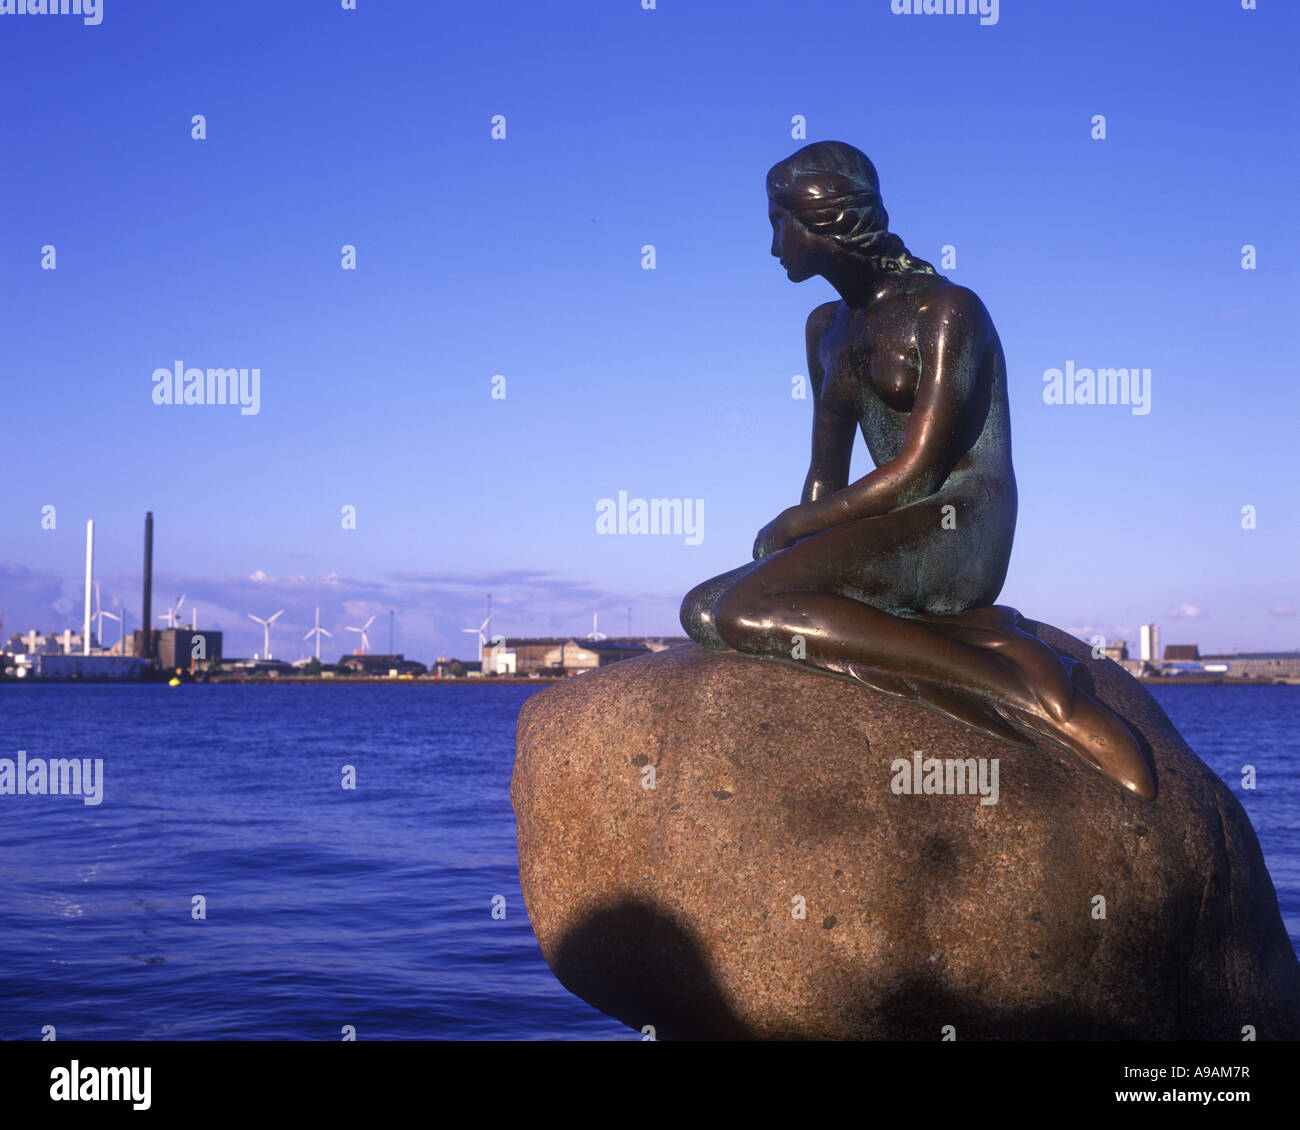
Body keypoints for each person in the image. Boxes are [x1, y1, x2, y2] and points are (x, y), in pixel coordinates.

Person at [680, 141, 1155, 800]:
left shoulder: (946, 310)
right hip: (893, 521)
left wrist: (795, 527)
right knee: (706, 610)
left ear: (827, 220)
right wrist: (797, 540)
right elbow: (825, 476)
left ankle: (1033, 696)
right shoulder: (826, 328)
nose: (773, 246)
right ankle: (970, 640)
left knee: (747, 608)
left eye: (777, 222)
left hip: (960, 521)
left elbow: (916, 472)